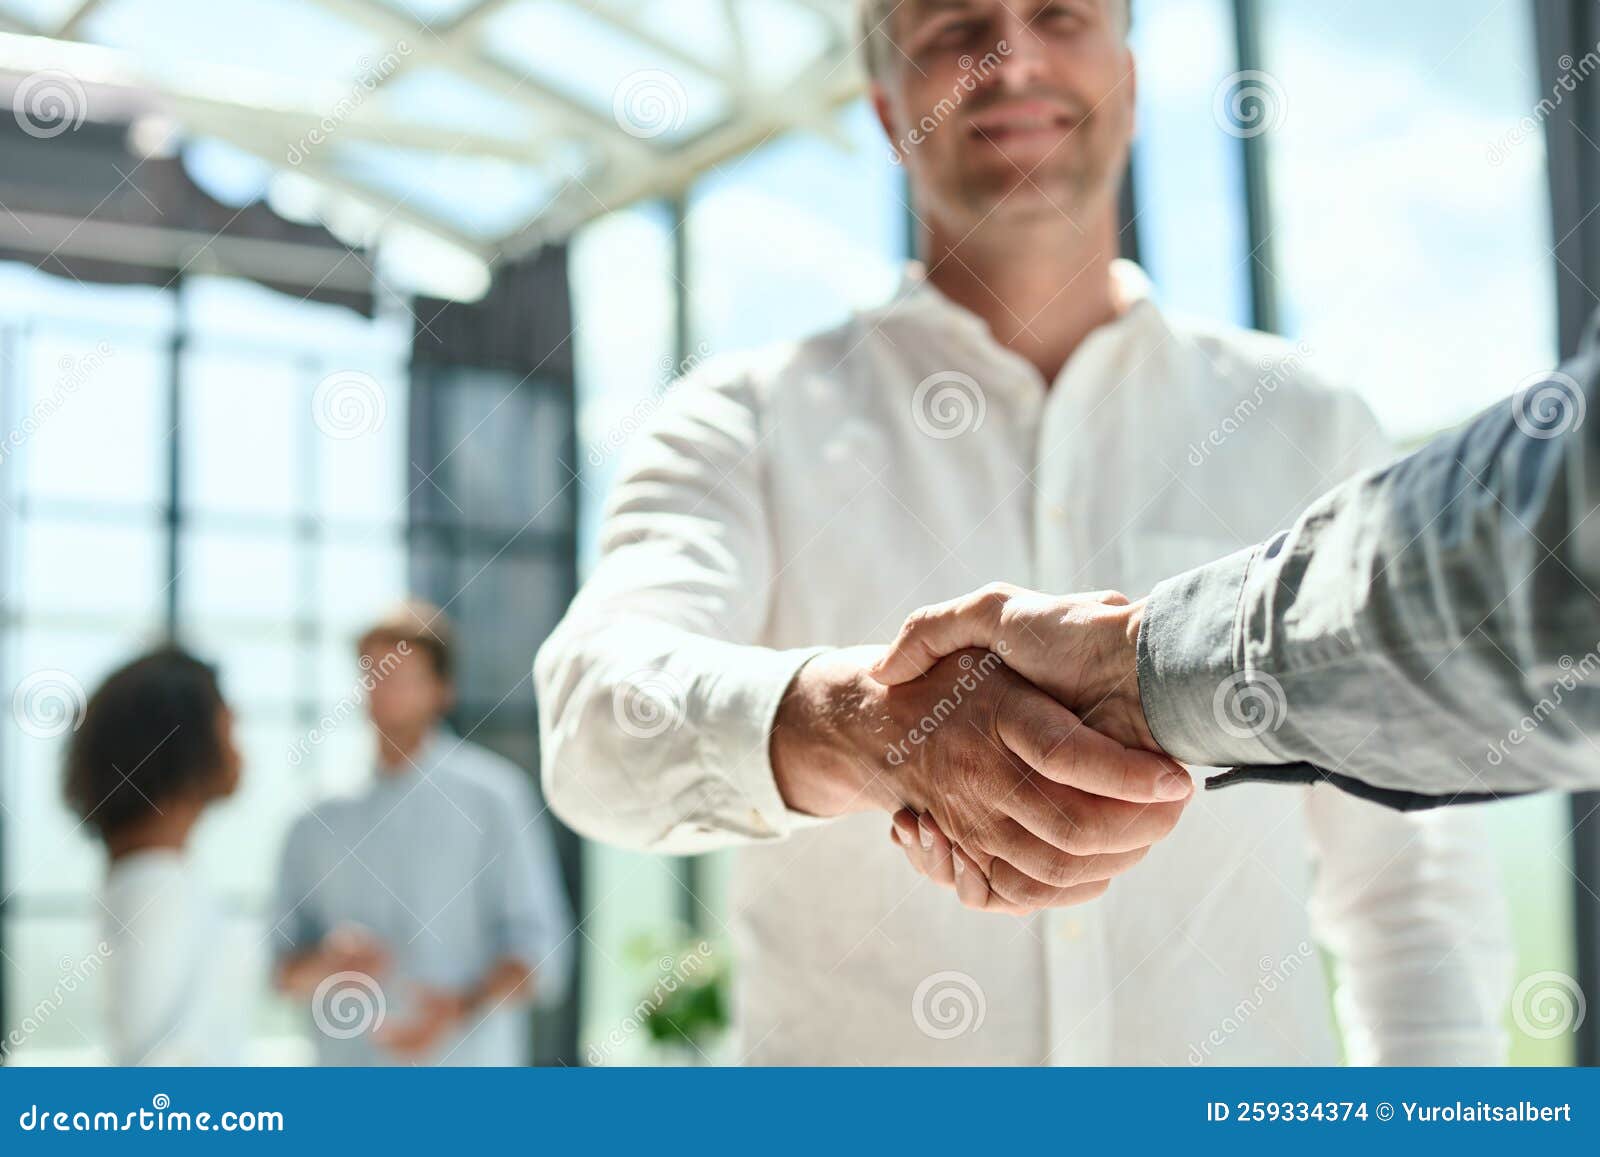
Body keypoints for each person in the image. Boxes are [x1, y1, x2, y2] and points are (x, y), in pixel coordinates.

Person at [536, 0, 1510, 1063]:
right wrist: (867, 726)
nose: (1010, 61)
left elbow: (1413, 879)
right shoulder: (741, 421)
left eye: (1058, 15)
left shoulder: (1307, 424)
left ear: (1129, 86)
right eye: (957, 26)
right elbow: (594, 715)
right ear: (883, 106)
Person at [873, 338, 1600, 903]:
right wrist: (871, 728)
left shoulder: (1308, 409)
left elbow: (1410, 884)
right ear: (887, 130)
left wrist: (1133, 671)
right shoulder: (770, 405)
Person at [272, 600, 573, 1065]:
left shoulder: (495, 799)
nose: (382, 691)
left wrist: (461, 1007)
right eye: (371, 674)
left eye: (399, 676)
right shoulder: (315, 818)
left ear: (442, 690)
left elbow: (541, 954)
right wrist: (326, 962)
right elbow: (278, 971)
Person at [64, 647, 250, 1065]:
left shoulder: (148, 876)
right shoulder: (158, 885)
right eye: (229, 728)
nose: (240, 752)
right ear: (187, 743)